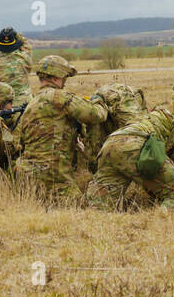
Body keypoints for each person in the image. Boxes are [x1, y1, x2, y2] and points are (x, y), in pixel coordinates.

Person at [86, 70, 174, 213]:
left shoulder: (160, 107)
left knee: (101, 208)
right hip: (137, 146)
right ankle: (153, 223)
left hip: (111, 143)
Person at [13, 55, 106, 202]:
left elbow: (22, 141)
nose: (65, 83)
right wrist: (100, 101)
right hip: (55, 179)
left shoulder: (31, 103)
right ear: (57, 77)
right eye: (65, 78)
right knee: (86, 209)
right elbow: (95, 115)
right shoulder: (59, 97)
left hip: (27, 179)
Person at [81, 82, 147, 173]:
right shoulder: (132, 115)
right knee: (130, 138)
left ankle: (97, 167)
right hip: (111, 98)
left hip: (107, 96)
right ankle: (98, 168)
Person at [0, 27, 33, 107]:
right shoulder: (24, 59)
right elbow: (26, 46)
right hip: (27, 107)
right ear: (15, 43)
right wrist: (19, 36)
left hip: (4, 109)